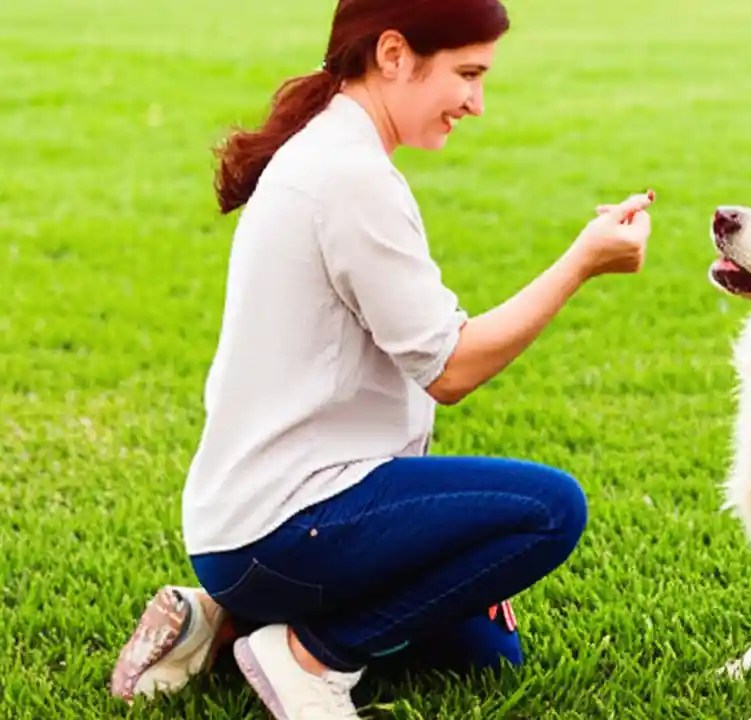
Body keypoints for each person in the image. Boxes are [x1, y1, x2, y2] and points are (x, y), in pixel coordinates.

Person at [108, 1, 655, 718]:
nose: (477, 102)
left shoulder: (334, 152)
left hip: (258, 524)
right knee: (550, 511)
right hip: (282, 526)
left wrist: (453, 543)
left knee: (485, 651)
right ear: (393, 55)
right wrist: (580, 264)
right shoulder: (349, 179)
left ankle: (223, 620)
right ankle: (310, 657)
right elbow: (451, 369)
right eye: (467, 74)